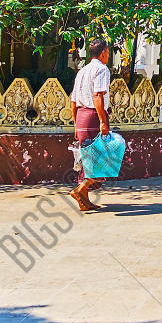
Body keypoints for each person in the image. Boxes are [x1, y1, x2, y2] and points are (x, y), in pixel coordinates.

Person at [69, 38, 113, 212]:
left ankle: (84, 201)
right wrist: (103, 121)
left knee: (87, 158)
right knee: (101, 158)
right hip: (93, 116)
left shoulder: (82, 71)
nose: (108, 56)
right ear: (103, 53)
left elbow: (73, 100)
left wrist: (75, 124)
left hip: (81, 116)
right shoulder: (102, 69)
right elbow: (98, 96)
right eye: (108, 53)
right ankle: (80, 190)